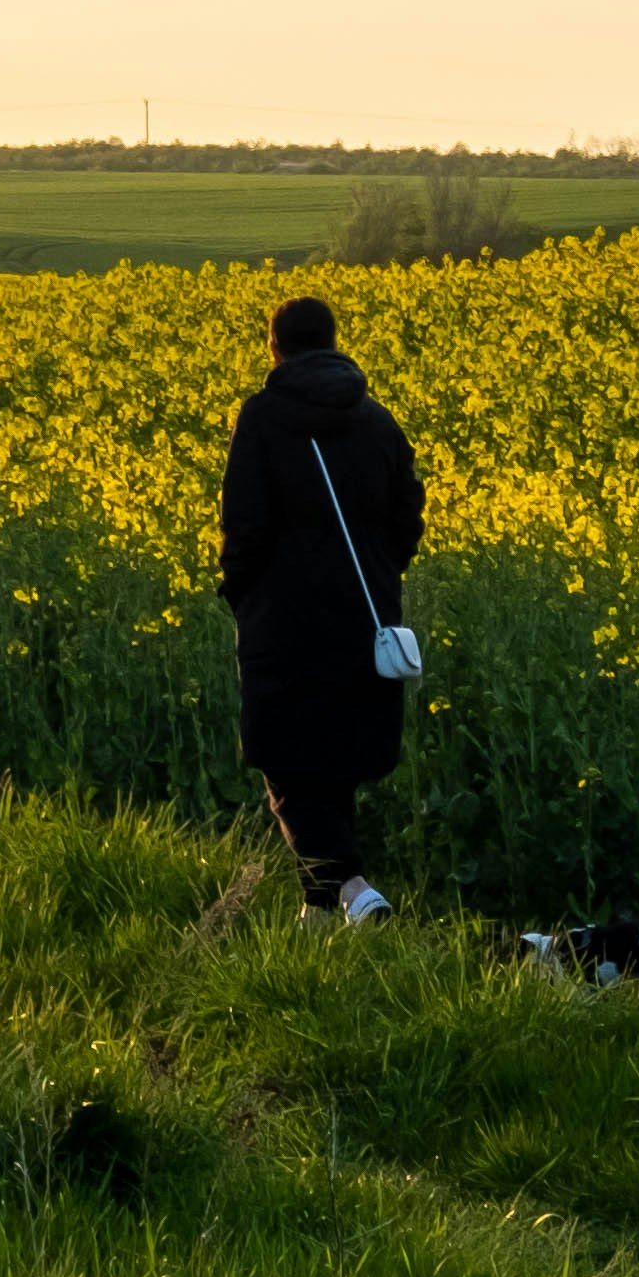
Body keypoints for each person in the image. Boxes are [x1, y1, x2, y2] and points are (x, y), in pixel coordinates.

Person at [218, 292, 423, 919]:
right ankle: (321, 916)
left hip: (284, 621)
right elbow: (408, 514)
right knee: (332, 762)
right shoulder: (378, 420)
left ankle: (354, 892)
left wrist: (241, 592)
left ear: (273, 347)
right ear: (334, 341)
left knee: (283, 763)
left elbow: (243, 525)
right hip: (363, 617)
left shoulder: (261, 418)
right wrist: (380, 574)